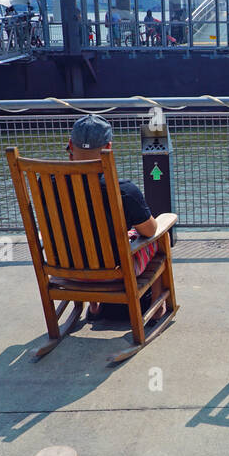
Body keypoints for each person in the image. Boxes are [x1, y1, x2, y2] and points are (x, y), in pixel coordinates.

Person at [64, 114, 159, 317]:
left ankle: (95, 305)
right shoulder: (123, 189)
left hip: (66, 267)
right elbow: (150, 230)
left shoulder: (50, 183)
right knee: (159, 237)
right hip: (115, 272)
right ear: (108, 146)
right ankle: (157, 309)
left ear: (70, 145)